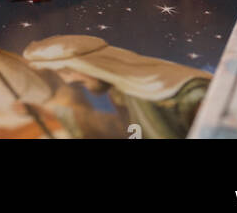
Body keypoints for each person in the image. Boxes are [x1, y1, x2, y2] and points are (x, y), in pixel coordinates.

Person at [23, 34, 209, 139]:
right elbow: (125, 131)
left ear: (92, 64)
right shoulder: (124, 92)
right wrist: (60, 116)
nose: (68, 81)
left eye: (66, 71)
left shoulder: (186, 92)